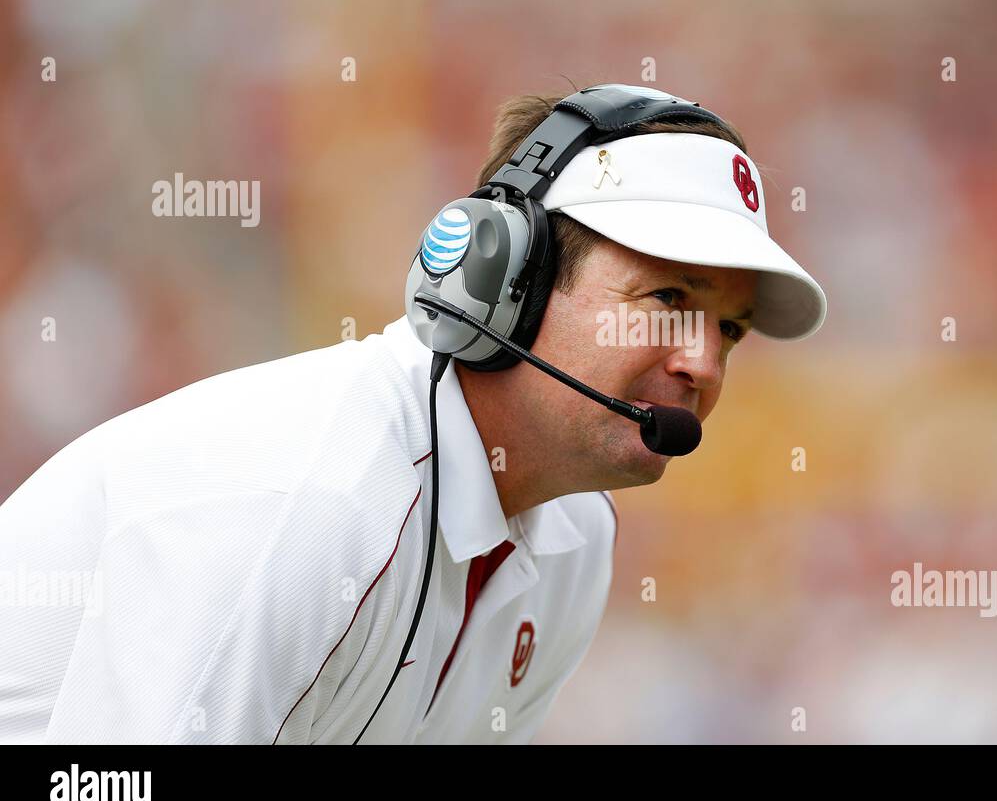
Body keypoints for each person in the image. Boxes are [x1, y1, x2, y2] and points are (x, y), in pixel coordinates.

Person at [0, 83, 826, 744]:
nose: (704, 362)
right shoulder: (310, 505)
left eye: (729, 327)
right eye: (669, 298)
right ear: (505, 279)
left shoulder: (575, 541)